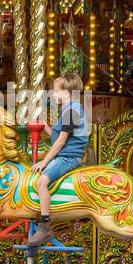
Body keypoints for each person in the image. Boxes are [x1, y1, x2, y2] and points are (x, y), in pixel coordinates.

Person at [28, 73, 89, 247]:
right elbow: (57, 136)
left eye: (56, 91)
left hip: (68, 157)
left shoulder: (72, 111)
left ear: (67, 93)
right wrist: (43, 125)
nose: (53, 95)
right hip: (65, 154)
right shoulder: (70, 109)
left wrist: (44, 162)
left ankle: (45, 226)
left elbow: (61, 142)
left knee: (41, 182)